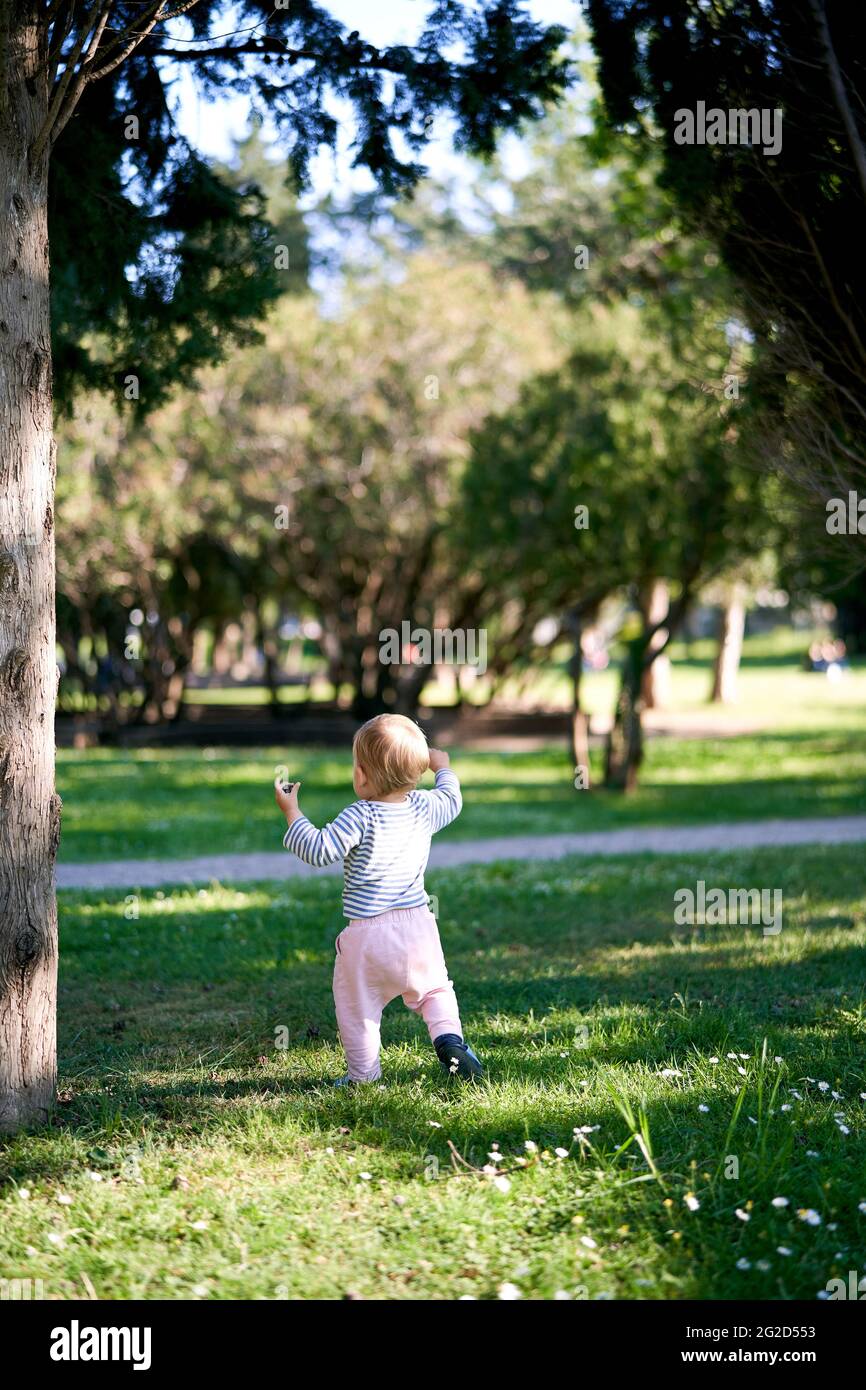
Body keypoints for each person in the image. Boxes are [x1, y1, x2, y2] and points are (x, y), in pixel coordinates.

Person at [274, 713, 483, 1085]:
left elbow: (319, 850)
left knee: (358, 1009)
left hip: (368, 937)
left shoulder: (360, 815)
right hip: (418, 928)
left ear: (361, 775)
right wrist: (444, 768)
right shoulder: (424, 807)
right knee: (435, 990)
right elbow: (452, 799)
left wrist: (292, 812)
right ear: (417, 773)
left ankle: (363, 1075)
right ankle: (449, 1038)